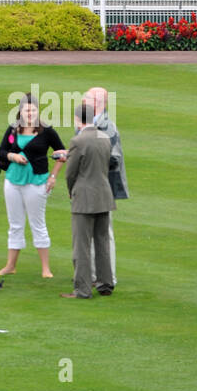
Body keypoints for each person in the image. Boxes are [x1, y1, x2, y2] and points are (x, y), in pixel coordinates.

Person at [0, 94, 66, 278]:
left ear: (38, 110)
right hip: (13, 180)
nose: (30, 113)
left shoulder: (47, 131)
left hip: (36, 182)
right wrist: (13, 157)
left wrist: (53, 176)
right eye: (26, 110)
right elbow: (1, 151)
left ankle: (45, 268)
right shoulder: (13, 129)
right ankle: (10, 265)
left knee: (38, 224)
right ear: (20, 111)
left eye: (33, 110)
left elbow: (62, 153)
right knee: (15, 224)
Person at [61, 101, 116, 299]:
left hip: (84, 197)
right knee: (102, 242)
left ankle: (83, 289)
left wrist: (71, 191)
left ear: (77, 119)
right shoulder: (105, 138)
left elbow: (70, 173)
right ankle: (105, 284)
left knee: (82, 245)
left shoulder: (78, 141)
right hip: (103, 195)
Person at [74, 86, 127, 286]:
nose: (82, 100)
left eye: (86, 97)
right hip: (88, 185)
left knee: (104, 234)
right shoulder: (85, 122)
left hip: (103, 187)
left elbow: (115, 159)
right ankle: (94, 275)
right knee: (90, 233)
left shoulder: (108, 127)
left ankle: (108, 277)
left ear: (97, 102)